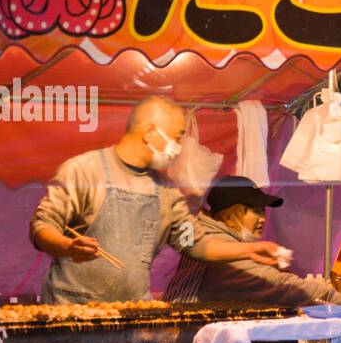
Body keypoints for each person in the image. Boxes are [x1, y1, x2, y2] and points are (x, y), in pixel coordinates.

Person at [30, 95, 292, 304]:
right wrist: (66, 246)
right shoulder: (83, 170)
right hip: (72, 311)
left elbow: (196, 244)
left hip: (131, 312)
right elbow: (42, 226)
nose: (178, 147)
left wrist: (250, 250)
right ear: (149, 133)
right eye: (177, 137)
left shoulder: (165, 192)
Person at [164, 177, 341, 306]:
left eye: (263, 210)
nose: (263, 218)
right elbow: (277, 284)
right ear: (230, 216)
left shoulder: (208, 235)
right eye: (255, 211)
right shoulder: (219, 247)